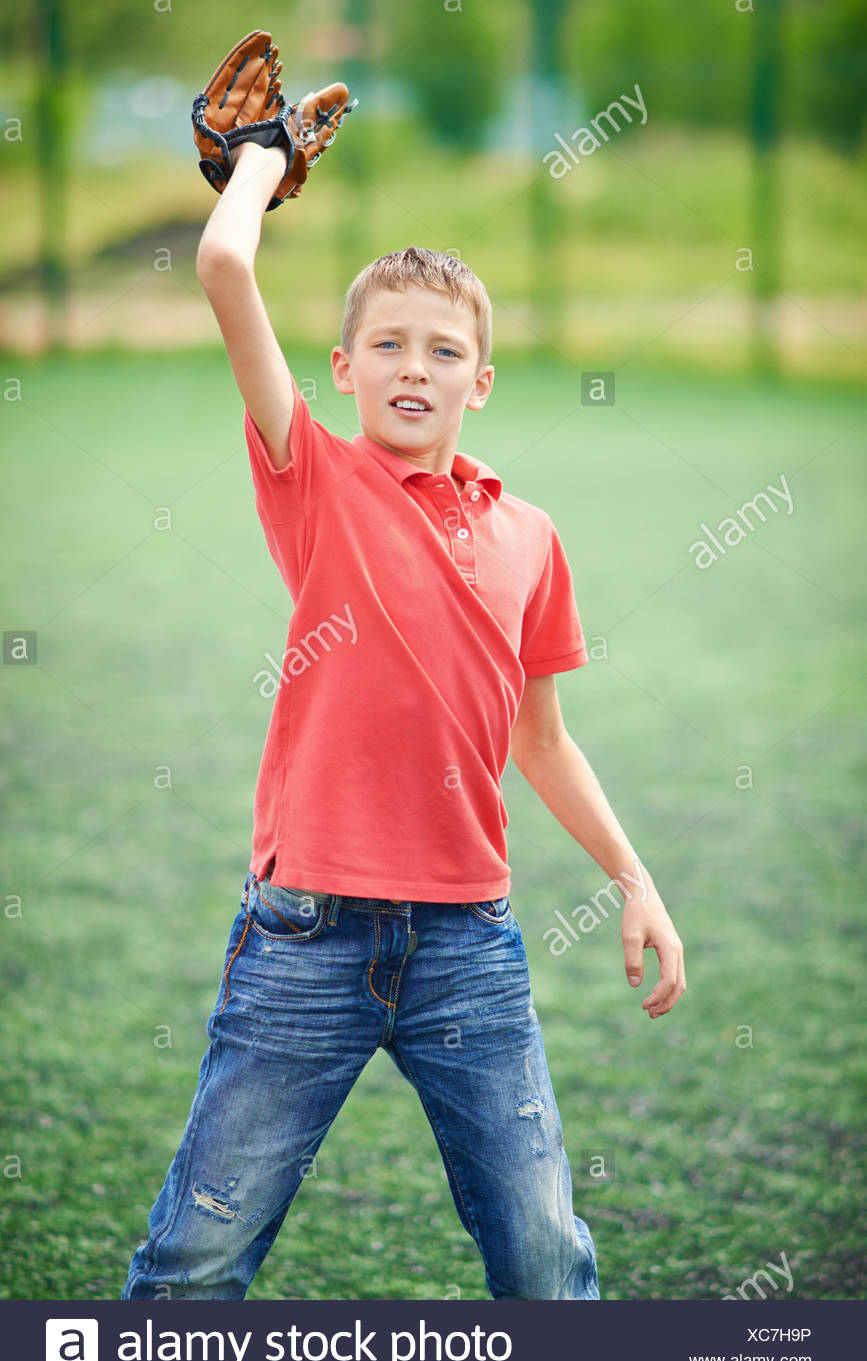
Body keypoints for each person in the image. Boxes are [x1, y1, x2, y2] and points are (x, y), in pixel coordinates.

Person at [121, 140, 685, 1302]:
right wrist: (258, 171)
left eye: (444, 349)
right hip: (305, 935)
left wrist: (635, 878)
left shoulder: (529, 535)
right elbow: (225, 265)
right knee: (196, 1263)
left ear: (481, 379)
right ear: (343, 367)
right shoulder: (314, 479)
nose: (413, 367)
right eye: (387, 345)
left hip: (468, 945)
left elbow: (543, 739)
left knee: (543, 1260)